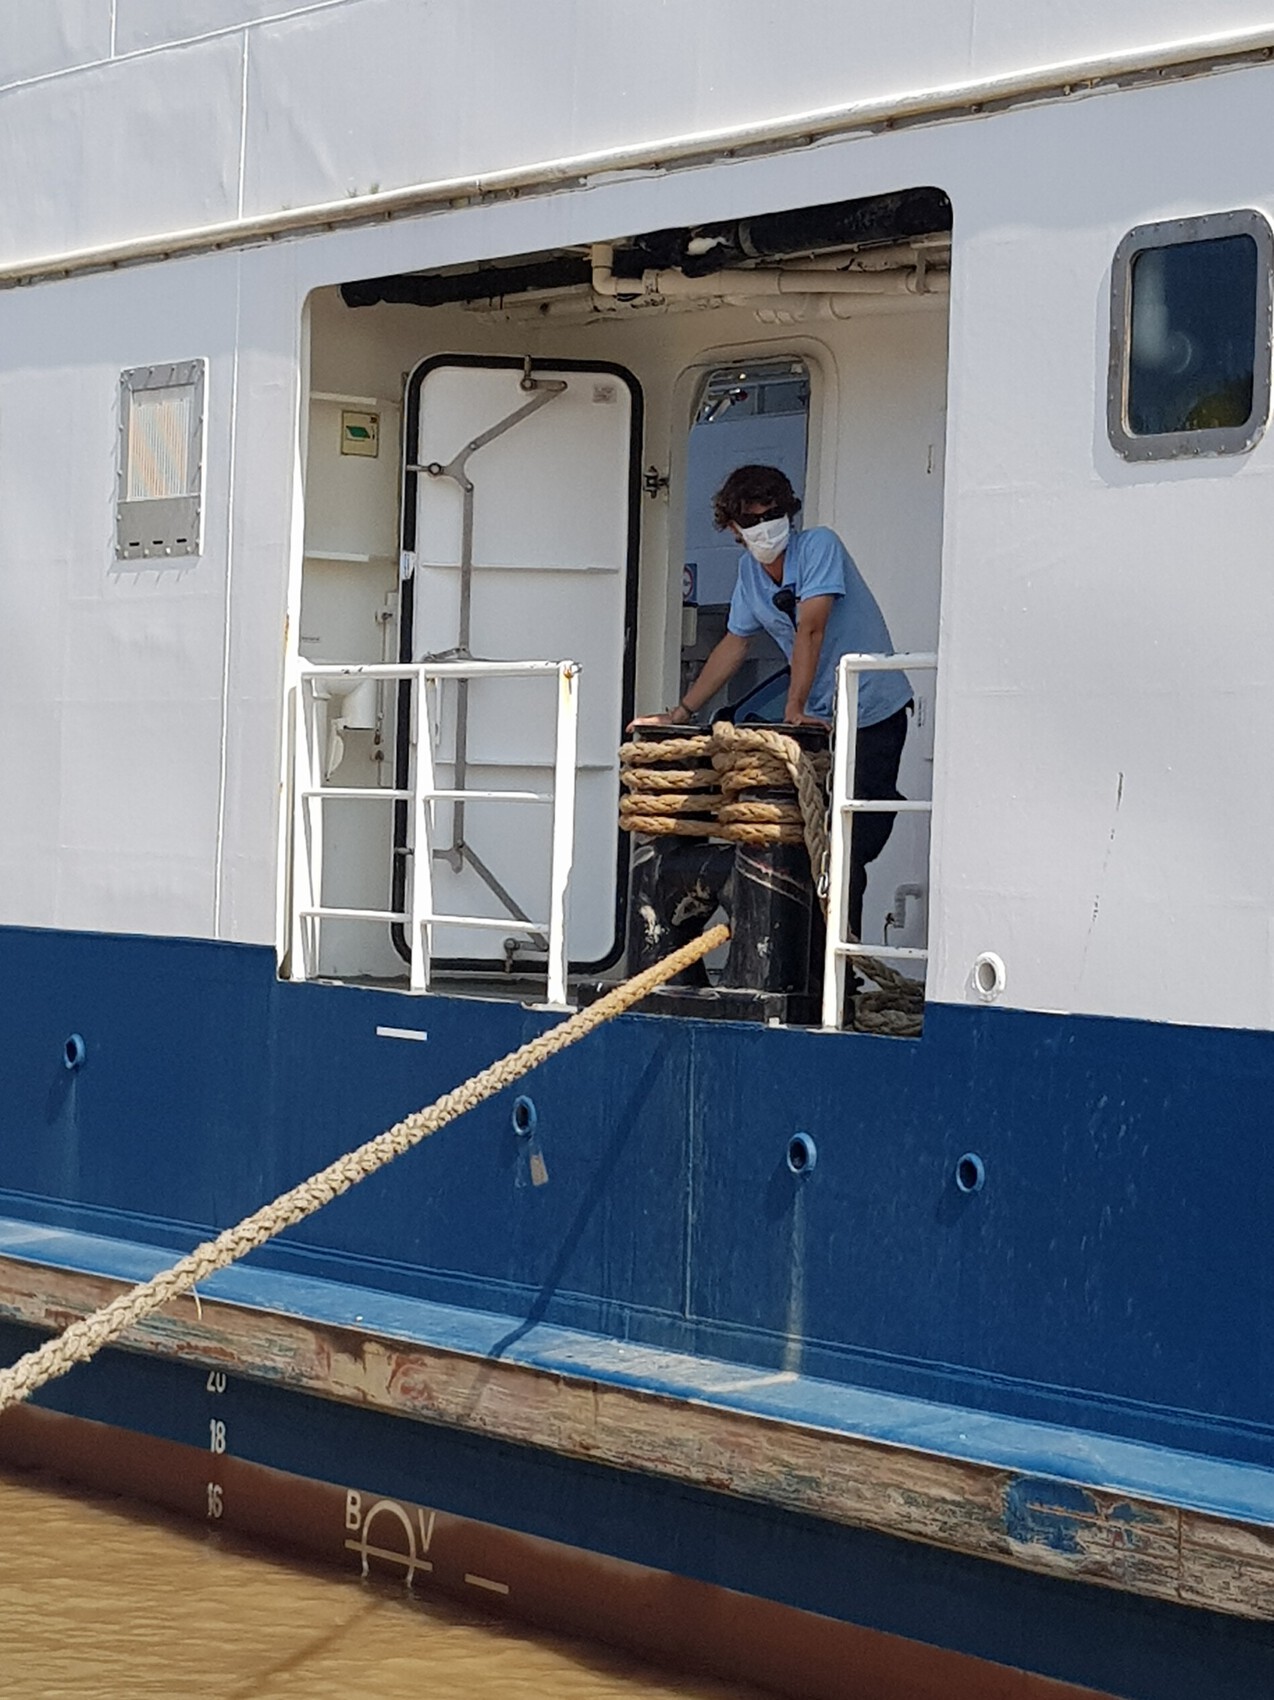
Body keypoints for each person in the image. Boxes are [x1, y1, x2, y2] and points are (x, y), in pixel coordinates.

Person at [632, 464, 911, 937]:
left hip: (871, 714)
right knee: (800, 838)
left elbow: (811, 628)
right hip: (818, 722)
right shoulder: (749, 572)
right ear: (733, 528)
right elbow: (735, 643)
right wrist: (681, 713)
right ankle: (794, 954)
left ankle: (840, 962)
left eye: (772, 514)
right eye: (752, 519)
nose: (764, 526)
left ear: (789, 512)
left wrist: (793, 711)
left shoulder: (819, 546)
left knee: (848, 845)